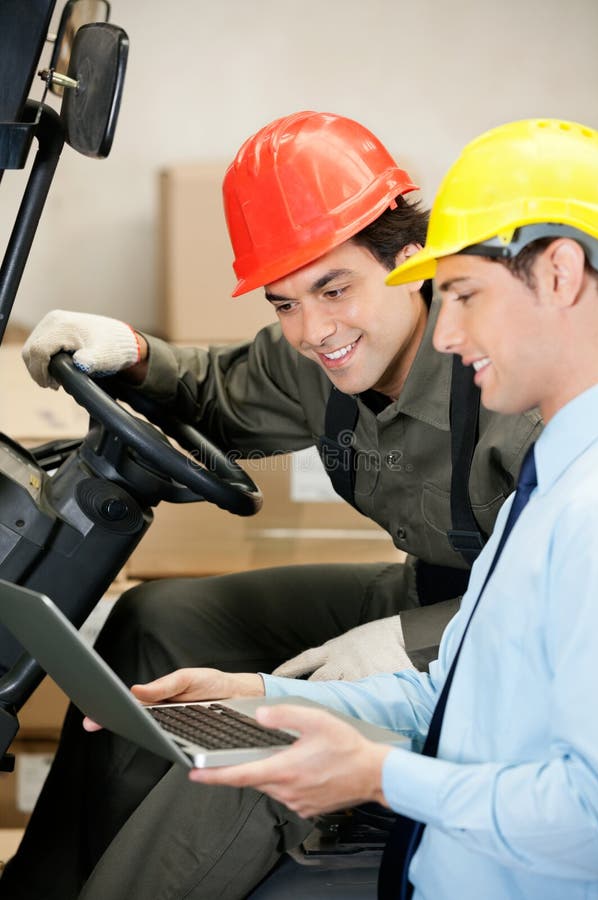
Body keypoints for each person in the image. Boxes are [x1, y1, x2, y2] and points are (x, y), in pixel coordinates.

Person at [1, 112, 540, 899]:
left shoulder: (511, 390)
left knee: (249, 756)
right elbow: (219, 390)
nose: (314, 331)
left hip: (495, 642)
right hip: (419, 590)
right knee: (160, 623)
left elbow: (559, 604)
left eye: (334, 288)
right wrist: (133, 352)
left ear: (410, 262)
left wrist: (420, 642)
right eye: (284, 302)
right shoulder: (320, 358)